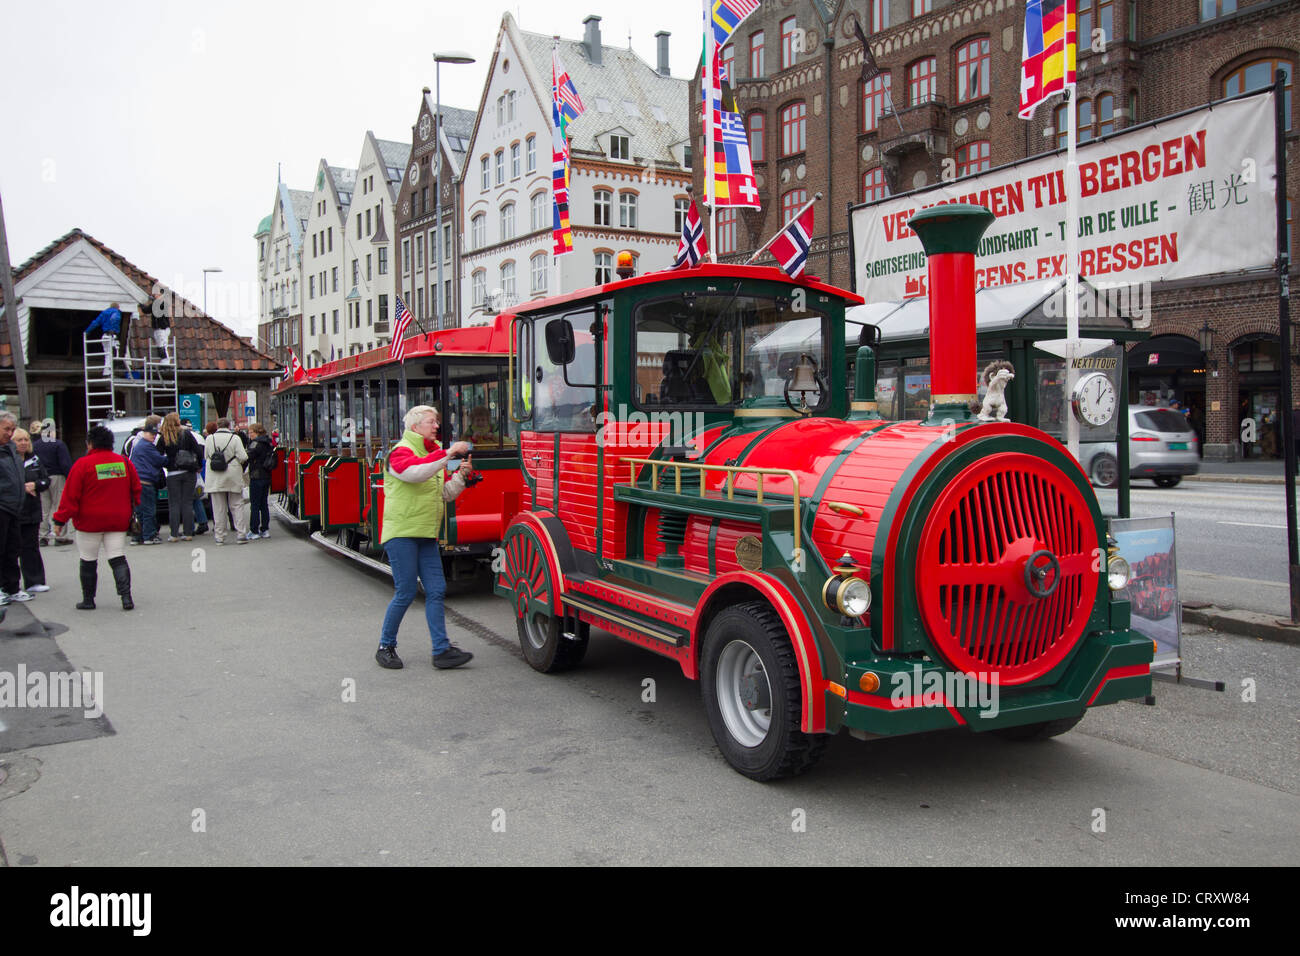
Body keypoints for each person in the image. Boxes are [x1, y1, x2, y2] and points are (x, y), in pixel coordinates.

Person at [375, 404, 473, 671]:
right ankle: (386, 645)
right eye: (431, 422)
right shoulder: (400, 453)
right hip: (402, 534)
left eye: (437, 422)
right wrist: (450, 453)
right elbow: (414, 473)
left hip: (426, 533)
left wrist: (462, 476)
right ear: (415, 427)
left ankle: (441, 650)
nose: (436, 426)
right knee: (406, 592)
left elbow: (444, 493)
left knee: (437, 590)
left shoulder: (434, 454)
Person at [52, 424, 141, 611]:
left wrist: (60, 520)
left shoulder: (82, 465)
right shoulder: (123, 462)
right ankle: (126, 598)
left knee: (88, 559)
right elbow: (136, 489)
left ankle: (88, 600)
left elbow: (70, 497)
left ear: (90, 444)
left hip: (88, 521)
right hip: (117, 519)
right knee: (117, 557)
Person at [12, 428, 50, 592]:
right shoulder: (7, 459)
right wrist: (22, 487)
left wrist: (35, 485)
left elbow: (45, 480)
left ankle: (34, 581)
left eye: (26, 439)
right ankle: (10, 585)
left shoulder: (34, 459)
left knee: (31, 547)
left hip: (32, 510)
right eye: (19, 440)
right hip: (12, 511)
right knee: (11, 549)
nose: (23, 443)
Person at [204, 418, 249, 544]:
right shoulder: (235, 438)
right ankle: (241, 534)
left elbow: (206, 456)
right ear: (229, 426)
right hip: (232, 474)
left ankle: (220, 537)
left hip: (215, 476)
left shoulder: (209, 438)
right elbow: (243, 456)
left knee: (218, 508)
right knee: (237, 505)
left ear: (218, 426)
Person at [159, 412, 202, 540]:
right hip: (189, 471)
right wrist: (198, 466)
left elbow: (157, 455)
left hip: (173, 473)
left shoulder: (164, 437)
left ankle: (173, 535)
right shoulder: (186, 434)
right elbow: (198, 451)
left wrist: (168, 463)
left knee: (174, 504)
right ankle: (188, 533)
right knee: (187, 503)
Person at [32, 419, 73, 546]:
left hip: (40, 478)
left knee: (43, 508)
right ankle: (60, 536)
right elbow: (65, 464)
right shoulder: (58, 444)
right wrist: (70, 478)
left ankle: (43, 536)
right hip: (57, 476)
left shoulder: (35, 445)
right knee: (59, 506)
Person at [128, 420, 166, 545]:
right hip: (146, 482)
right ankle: (148, 536)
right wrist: (171, 457)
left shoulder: (138, 445)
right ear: (144, 433)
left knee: (139, 511)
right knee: (149, 510)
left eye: (155, 434)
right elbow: (160, 460)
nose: (154, 436)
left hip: (137, 482)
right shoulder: (147, 446)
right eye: (152, 434)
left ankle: (137, 536)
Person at [246, 422, 275, 539]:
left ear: (257, 432)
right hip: (266, 476)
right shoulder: (268, 443)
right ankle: (265, 529)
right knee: (264, 504)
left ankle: (254, 530)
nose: (249, 435)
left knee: (255, 504)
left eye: (251, 432)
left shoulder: (255, 444)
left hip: (256, 476)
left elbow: (248, 456)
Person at [85, 302, 123, 375]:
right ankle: (108, 372)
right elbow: (115, 319)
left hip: (105, 336)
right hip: (111, 336)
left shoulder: (104, 313)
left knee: (107, 354)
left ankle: (106, 371)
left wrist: (87, 331)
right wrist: (113, 329)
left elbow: (95, 322)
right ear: (118, 307)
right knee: (112, 354)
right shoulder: (116, 312)